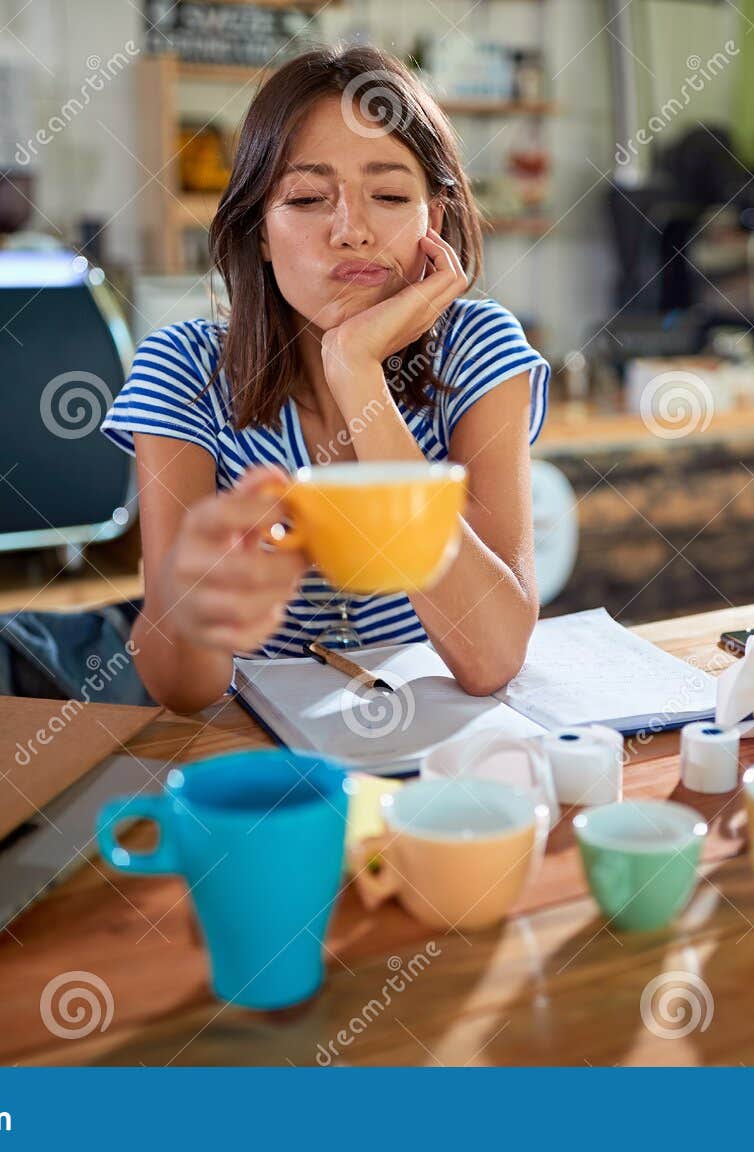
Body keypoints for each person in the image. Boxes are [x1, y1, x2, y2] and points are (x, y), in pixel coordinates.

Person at [101, 45, 549, 714]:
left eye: (391, 195)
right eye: (308, 197)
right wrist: (192, 609)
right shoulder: (183, 370)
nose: (352, 230)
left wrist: (356, 370)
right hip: (260, 763)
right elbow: (180, 687)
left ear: (438, 220)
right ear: (257, 230)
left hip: (432, 763)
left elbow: (492, 656)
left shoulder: (478, 351)